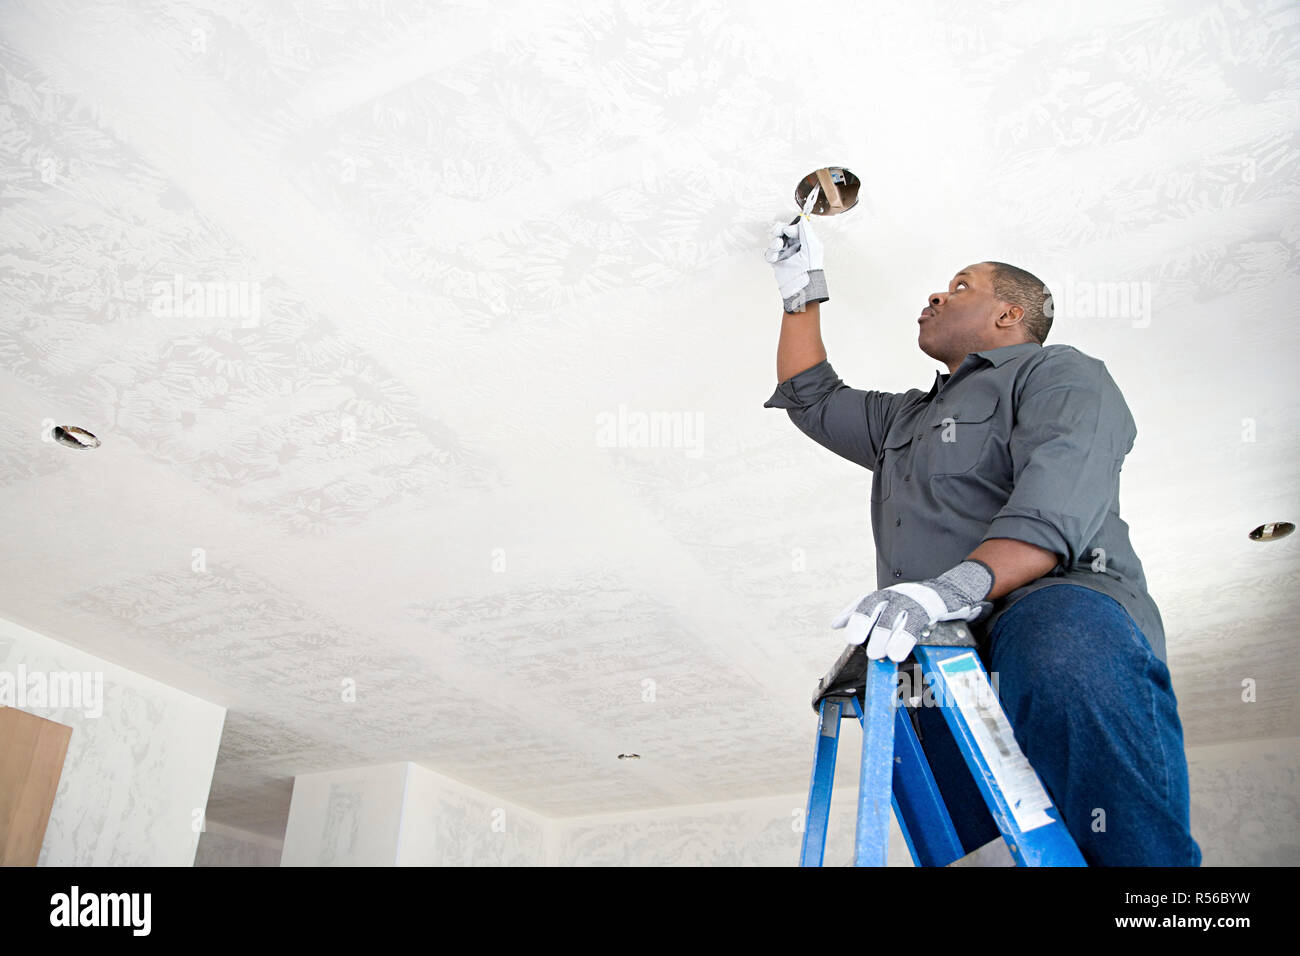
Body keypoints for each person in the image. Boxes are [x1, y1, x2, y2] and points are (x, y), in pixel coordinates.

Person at [763, 210, 1201, 866]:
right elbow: (813, 399)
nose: (936, 294)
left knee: (1061, 654)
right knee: (970, 835)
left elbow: (1053, 509)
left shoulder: (1060, 373)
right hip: (944, 645)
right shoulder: (904, 418)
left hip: (1054, 605)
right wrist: (800, 288)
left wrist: (950, 590)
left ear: (1008, 316)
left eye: (961, 286)